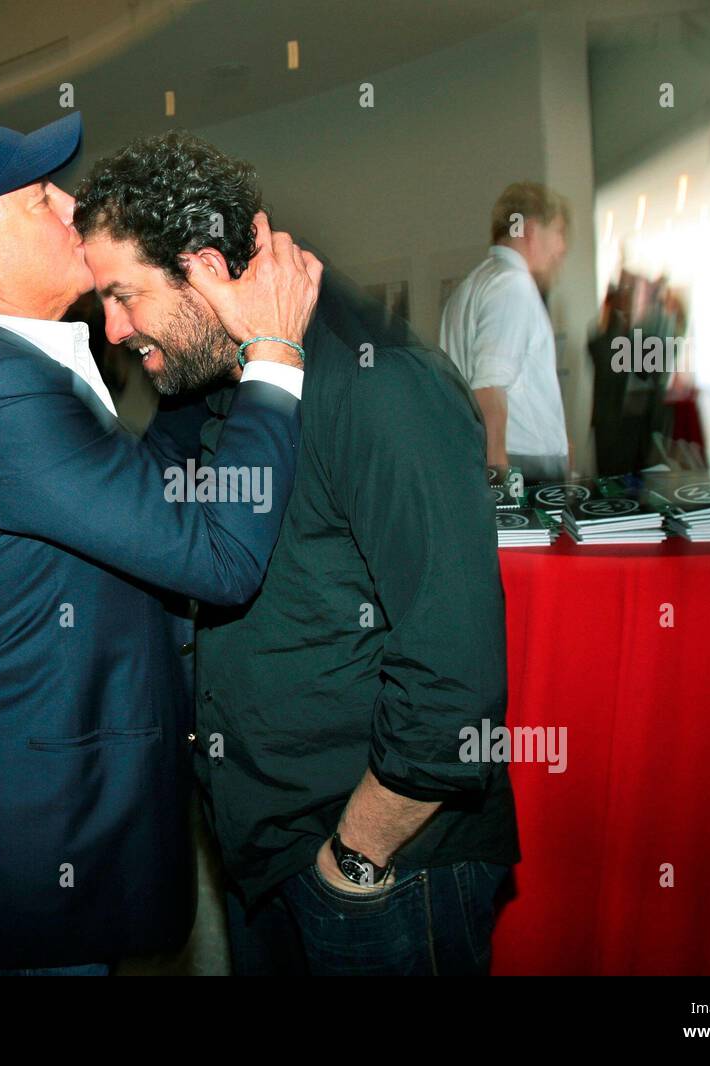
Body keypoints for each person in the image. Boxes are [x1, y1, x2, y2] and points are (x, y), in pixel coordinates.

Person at [0, 111, 320, 975]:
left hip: (49, 837)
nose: (73, 206)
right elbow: (220, 558)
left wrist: (189, 343)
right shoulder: (0, 397)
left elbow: (127, 500)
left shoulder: (2, 368)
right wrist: (272, 352)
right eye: (38, 197)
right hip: (34, 874)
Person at [75, 130, 518, 976]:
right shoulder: (202, 379)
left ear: (206, 269)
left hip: (385, 867)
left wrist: (351, 861)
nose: (112, 326)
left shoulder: (380, 383)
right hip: (261, 853)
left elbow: (458, 677)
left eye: (124, 296)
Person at [440, 181, 571, 481]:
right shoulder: (512, 285)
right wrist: (500, 492)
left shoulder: (466, 290)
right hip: (521, 469)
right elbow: (489, 392)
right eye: (559, 232)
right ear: (531, 230)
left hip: (488, 459)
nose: (562, 248)